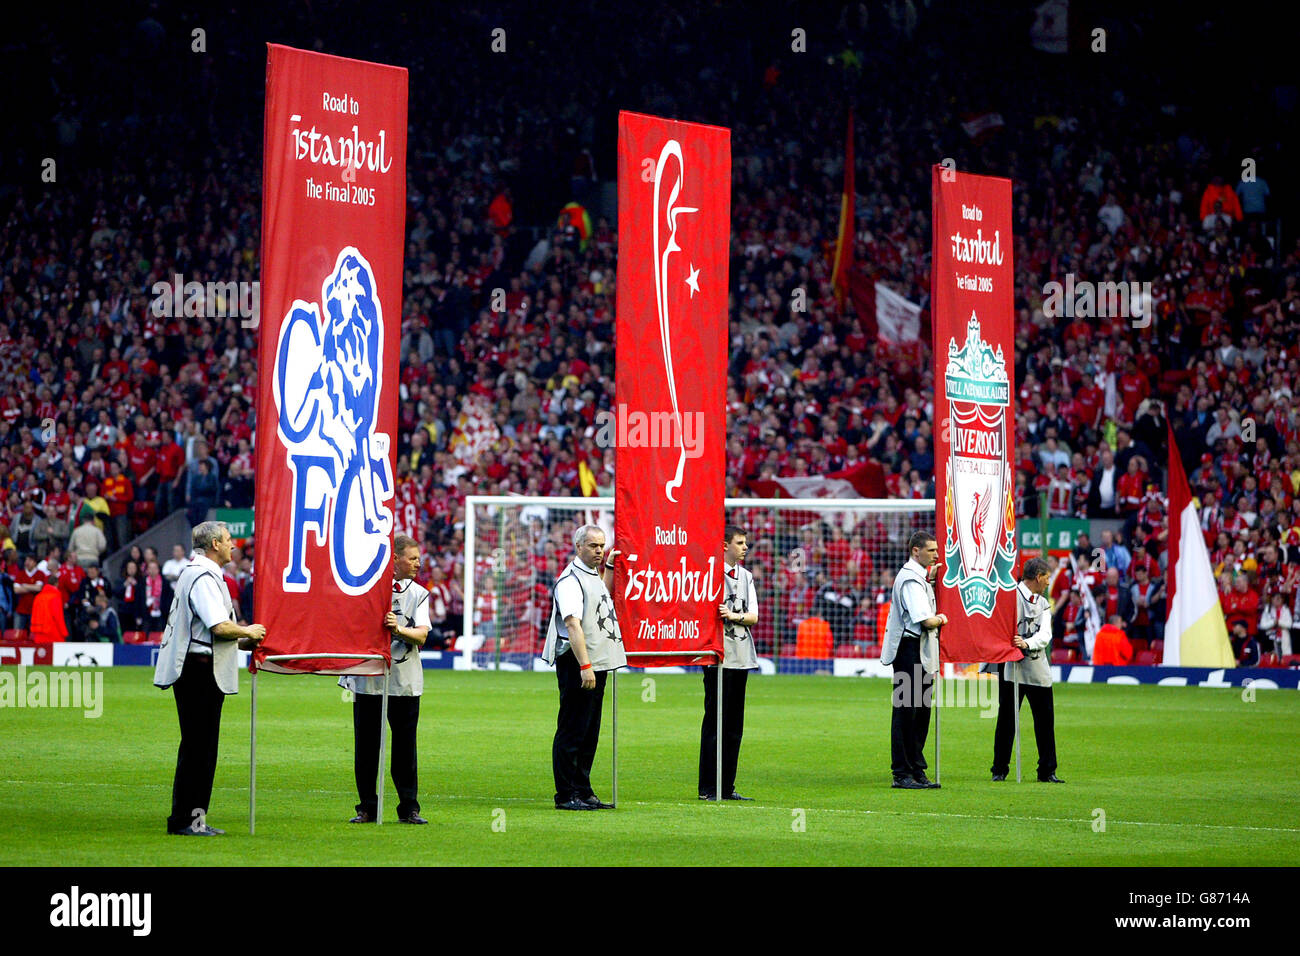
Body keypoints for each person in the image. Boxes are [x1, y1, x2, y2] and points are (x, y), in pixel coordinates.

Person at [154, 521, 266, 836]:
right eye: (229, 540)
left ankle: (193, 819)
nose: (234, 545)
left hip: (202, 666)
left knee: (201, 747)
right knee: (198, 748)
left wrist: (244, 639)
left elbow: (212, 632)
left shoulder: (200, 574)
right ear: (215, 543)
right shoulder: (203, 577)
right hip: (199, 669)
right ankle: (186, 820)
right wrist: (247, 631)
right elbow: (218, 626)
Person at [339, 534, 430, 824]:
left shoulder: (419, 594)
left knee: (405, 748)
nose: (418, 563)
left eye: (418, 558)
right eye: (412, 558)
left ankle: (409, 808)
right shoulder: (365, 592)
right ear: (395, 560)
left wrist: (399, 629)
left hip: (404, 681)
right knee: (366, 747)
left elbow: (423, 635)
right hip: (369, 677)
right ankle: (366, 807)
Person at [541, 523, 625, 810]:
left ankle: (583, 788)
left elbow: (604, 599)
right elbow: (572, 624)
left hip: (595, 661)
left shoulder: (593, 575)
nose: (599, 550)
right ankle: (565, 794)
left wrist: (611, 569)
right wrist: (585, 666)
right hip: (577, 662)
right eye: (593, 545)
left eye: (602, 545)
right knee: (572, 728)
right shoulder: (569, 581)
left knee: (589, 729)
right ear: (578, 547)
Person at [880, 530, 949, 789]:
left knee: (920, 712)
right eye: (931, 550)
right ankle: (902, 773)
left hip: (917, 650)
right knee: (906, 712)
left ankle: (916, 769)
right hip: (909, 650)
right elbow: (926, 619)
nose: (936, 554)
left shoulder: (918, 577)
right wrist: (942, 618)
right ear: (915, 551)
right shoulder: (910, 580)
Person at [699, 524, 759, 801]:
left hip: (741, 654)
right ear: (724, 545)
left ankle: (727, 786)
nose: (745, 547)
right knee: (715, 723)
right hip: (717, 655)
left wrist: (734, 616)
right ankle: (708, 787)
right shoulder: (709, 576)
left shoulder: (746, 576)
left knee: (734, 725)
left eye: (745, 543)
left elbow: (754, 616)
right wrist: (738, 615)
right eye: (739, 542)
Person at [991, 557, 1064, 783]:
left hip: (1036, 664)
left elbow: (1045, 634)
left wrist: (1027, 643)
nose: (1049, 582)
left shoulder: (1043, 603)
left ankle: (1047, 770)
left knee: (1045, 720)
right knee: (1006, 719)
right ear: (1038, 577)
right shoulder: (1009, 597)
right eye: (1047, 577)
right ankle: (999, 769)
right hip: (1011, 665)